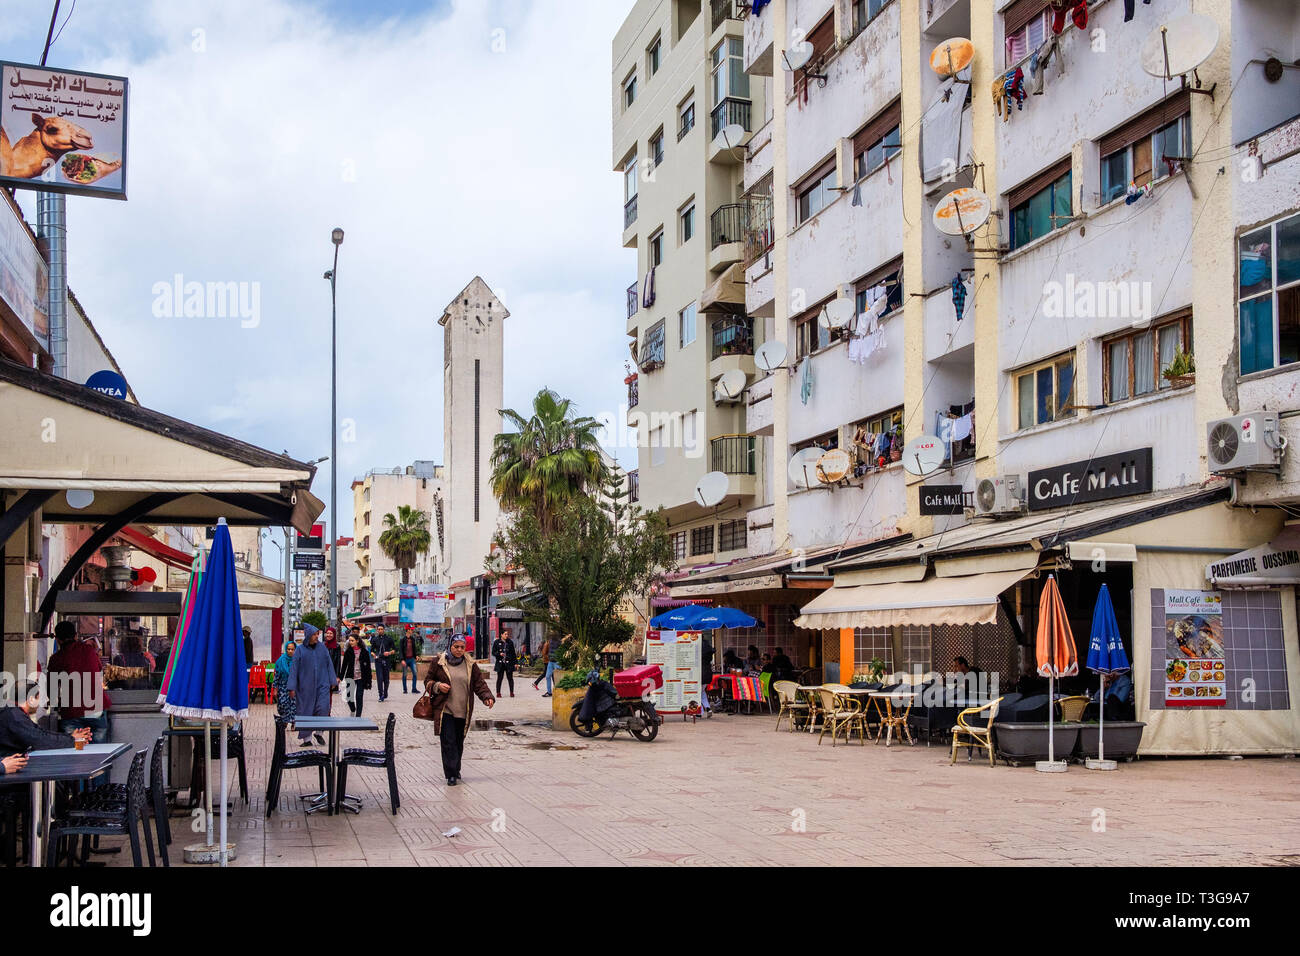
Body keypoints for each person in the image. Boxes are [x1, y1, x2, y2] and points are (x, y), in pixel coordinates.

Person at [424, 635, 494, 786]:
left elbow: (479, 684)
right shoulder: (439, 662)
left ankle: (456, 769)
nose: (459, 650)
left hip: (463, 710)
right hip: (445, 709)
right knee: (448, 741)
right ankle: (451, 774)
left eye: (462, 647)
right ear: (450, 646)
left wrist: (487, 697)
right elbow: (427, 681)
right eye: (456, 647)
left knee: (458, 741)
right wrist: (437, 686)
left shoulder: (470, 664)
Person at [46, 621, 109, 743]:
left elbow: (52, 691)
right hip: (95, 709)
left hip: (71, 712)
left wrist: (57, 702)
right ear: (75, 636)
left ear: (58, 639)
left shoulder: (56, 659)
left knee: (74, 752)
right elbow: (100, 670)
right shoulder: (89, 651)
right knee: (99, 754)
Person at [0, 681, 92, 758]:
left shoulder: (14, 712)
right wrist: (71, 740)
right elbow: (39, 739)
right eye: (39, 698)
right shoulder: (15, 717)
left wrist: (70, 737)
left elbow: (40, 733)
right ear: (31, 699)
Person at [287, 626, 336, 746]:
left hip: (322, 684)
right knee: (305, 711)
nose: (316, 637)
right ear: (308, 635)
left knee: (324, 708)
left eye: (317, 634)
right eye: (314, 634)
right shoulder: (300, 650)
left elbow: (329, 664)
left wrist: (332, 680)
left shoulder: (322, 648)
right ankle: (307, 739)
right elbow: (294, 669)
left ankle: (319, 733)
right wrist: (292, 687)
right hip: (305, 687)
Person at [339, 632, 373, 717]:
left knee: (359, 696)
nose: (350, 642)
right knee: (349, 697)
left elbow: (368, 667)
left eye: (352, 640)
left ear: (357, 641)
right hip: (350, 676)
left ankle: (358, 716)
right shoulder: (348, 652)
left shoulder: (364, 652)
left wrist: (369, 681)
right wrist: (340, 677)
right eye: (349, 641)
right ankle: (353, 709)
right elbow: (344, 666)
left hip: (361, 677)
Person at [370, 627, 396, 702]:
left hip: (387, 660)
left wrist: (389, 653)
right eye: (379, 629)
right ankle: (380, 694)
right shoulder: (374, 639)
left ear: (384, 630)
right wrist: (374, 655)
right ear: (377, 630)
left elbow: (394, 649)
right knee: (380, 678)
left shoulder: (389, 639)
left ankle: (385, 692)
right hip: (378, 660)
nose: (380, 630)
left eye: (381, 629)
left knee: (386, 679)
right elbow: (371, 650)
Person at [274, 640, 297, 723]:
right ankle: (285, 721)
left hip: (294, 687)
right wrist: (275, 689)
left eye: (292, 649)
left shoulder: (298, 661)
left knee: (294, 705)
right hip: (283, 687)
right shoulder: (280, 661)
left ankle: (294, 722)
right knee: (282, 705)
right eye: (288, 649)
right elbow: (276, 676)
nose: (290, 651)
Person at [492, 628, 518, 698]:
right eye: (505, 634)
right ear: (501, 635)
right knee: (499, 678)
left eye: (507, 634)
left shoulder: (510, 642)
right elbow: (493, 652)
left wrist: (516, 663)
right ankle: (498, 693)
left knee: (510, 678)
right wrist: (499, 654)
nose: (506, 635)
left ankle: (511, 692)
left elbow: (513, 653)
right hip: (500, 663)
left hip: (509, 663)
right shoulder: (496, 642)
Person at [399, 628, 421, 694]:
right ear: (408, 630)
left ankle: (414, 689)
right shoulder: (402, 640)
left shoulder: (412, 639)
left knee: (415, 673)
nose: (412, 631)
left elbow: (414, 649)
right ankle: (405, 689)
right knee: (405, 675)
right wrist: (402, 659)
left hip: (411, 659)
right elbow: (400, 651)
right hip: (405, 659)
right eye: (411, 630)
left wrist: (416, 655)